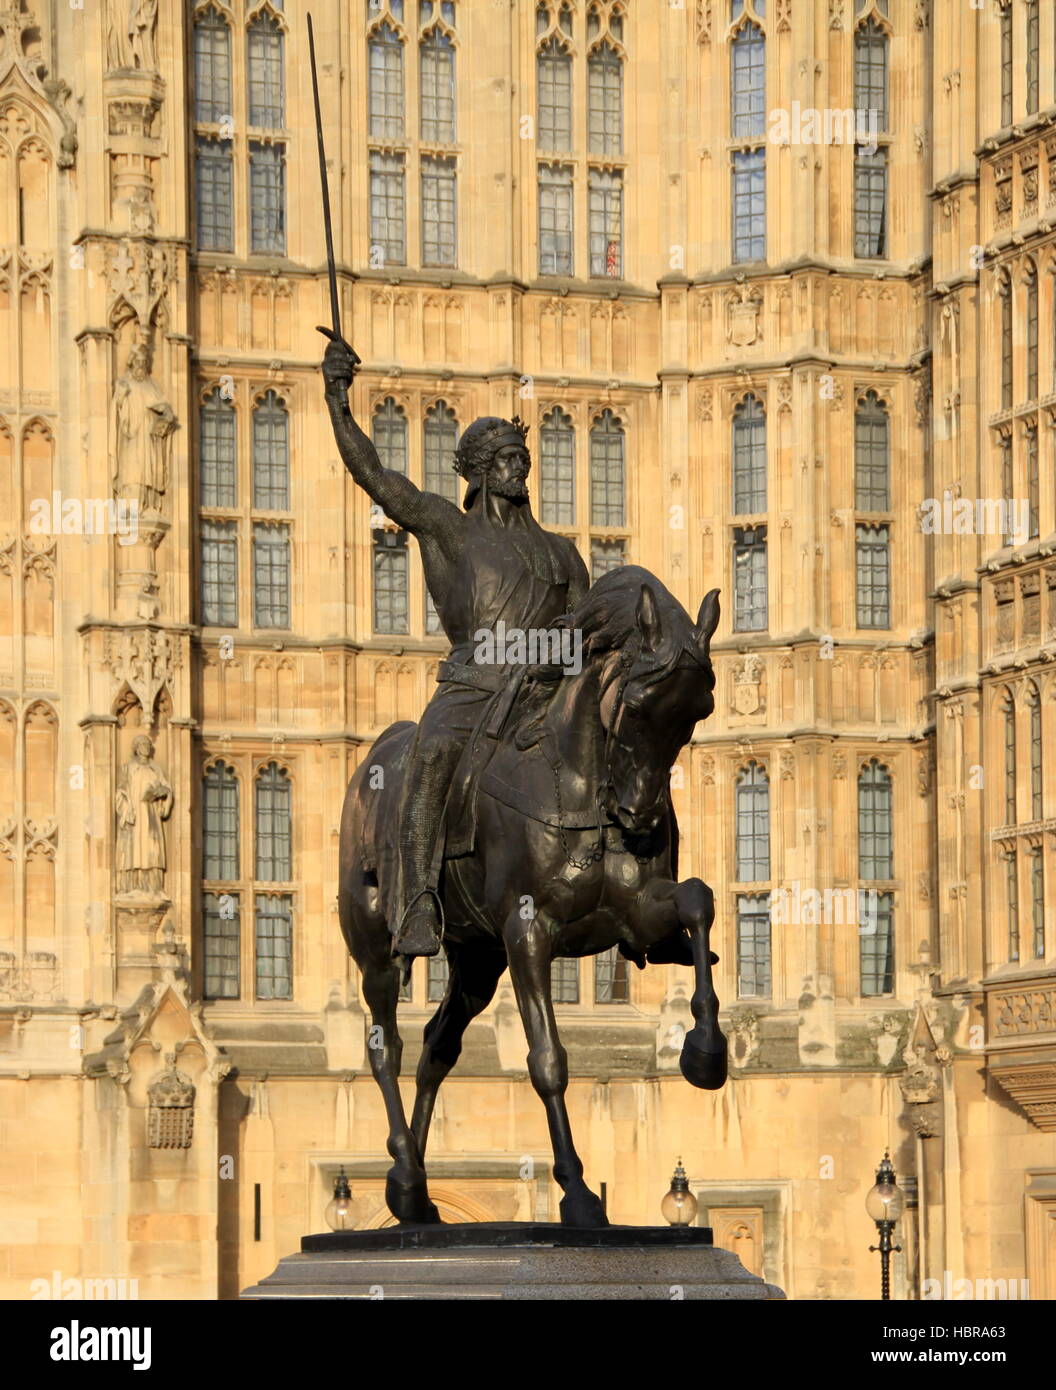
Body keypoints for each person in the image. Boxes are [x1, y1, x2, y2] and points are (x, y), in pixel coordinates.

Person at [322, 337, 590, 957]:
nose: (517, 467)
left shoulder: (562, 552)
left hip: (540, 691)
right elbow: (378, 478)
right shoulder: (450, 529)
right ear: (477, 472)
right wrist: (339, 400)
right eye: (503, 459)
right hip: (472, 687)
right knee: (431, 753)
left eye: (521, 457)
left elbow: (584, 632)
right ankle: (417, 903)